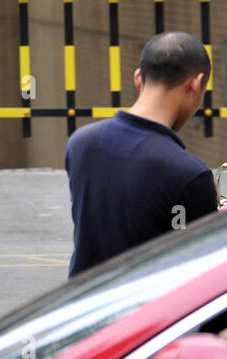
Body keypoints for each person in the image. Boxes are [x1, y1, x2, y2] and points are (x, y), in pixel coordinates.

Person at [66, 31, 219, 277]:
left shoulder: (81, 144)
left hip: (83, 306)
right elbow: (200, 267)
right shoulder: (189, 174)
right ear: (195, 84)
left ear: (138, 78)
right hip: (151, 312)